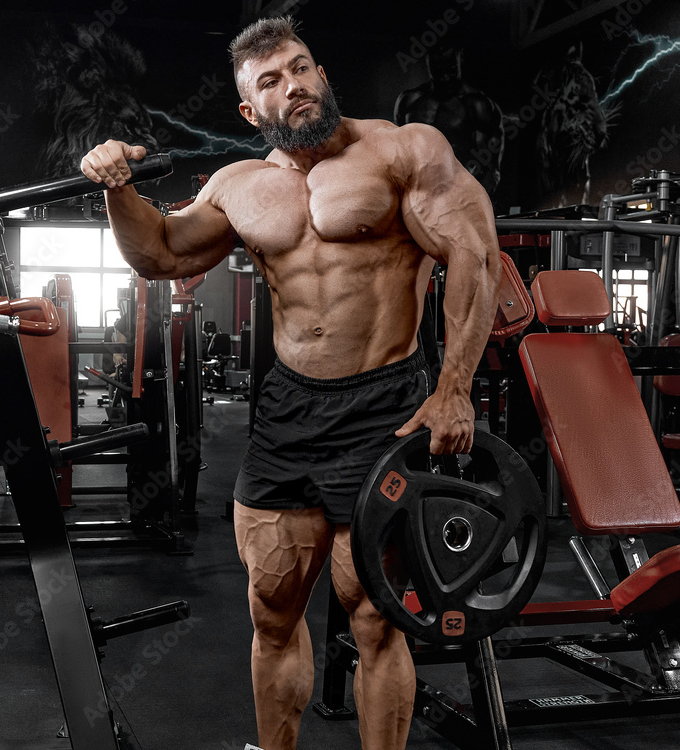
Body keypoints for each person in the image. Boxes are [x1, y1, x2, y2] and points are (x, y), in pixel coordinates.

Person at [80, 16, 500, 750]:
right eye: (272, 80)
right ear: (251, 111)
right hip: (288, 414)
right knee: (271, 611)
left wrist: (455, 387)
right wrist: (117, 188)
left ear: (322, 76)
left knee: (375, 617)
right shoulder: (238, 186)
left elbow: (475, 254)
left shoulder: (404, 149)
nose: (294, 85)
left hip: (384, 408)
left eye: (302, 68)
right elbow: (162, 254)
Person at [394, 45, 505, 196]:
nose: (445, 76)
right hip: (418, 190)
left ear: (460, 57)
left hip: (458, 191)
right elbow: (398, 150)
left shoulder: (476, 104)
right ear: (428, 61)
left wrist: (477, 194)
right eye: (438, 69)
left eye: (450, 68)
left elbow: (490, 165)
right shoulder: (409, 101)